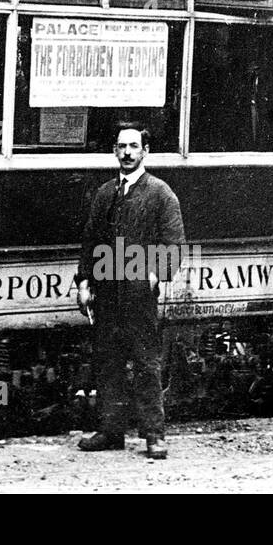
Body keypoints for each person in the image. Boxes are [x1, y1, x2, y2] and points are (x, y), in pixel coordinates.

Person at [74, 123, 185, 460]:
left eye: (133, 146)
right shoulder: (106, 193)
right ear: (114, 150)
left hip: (138, 297)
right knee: (108, 362)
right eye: (121, 146)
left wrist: (153, 276)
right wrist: (83, 283)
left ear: (145, 151)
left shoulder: (161, 193)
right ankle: (111, 431)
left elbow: (174, 245)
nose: (127, 153)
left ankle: (154, 435)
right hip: (106, 293)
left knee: (146, 364)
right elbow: (91, 242)